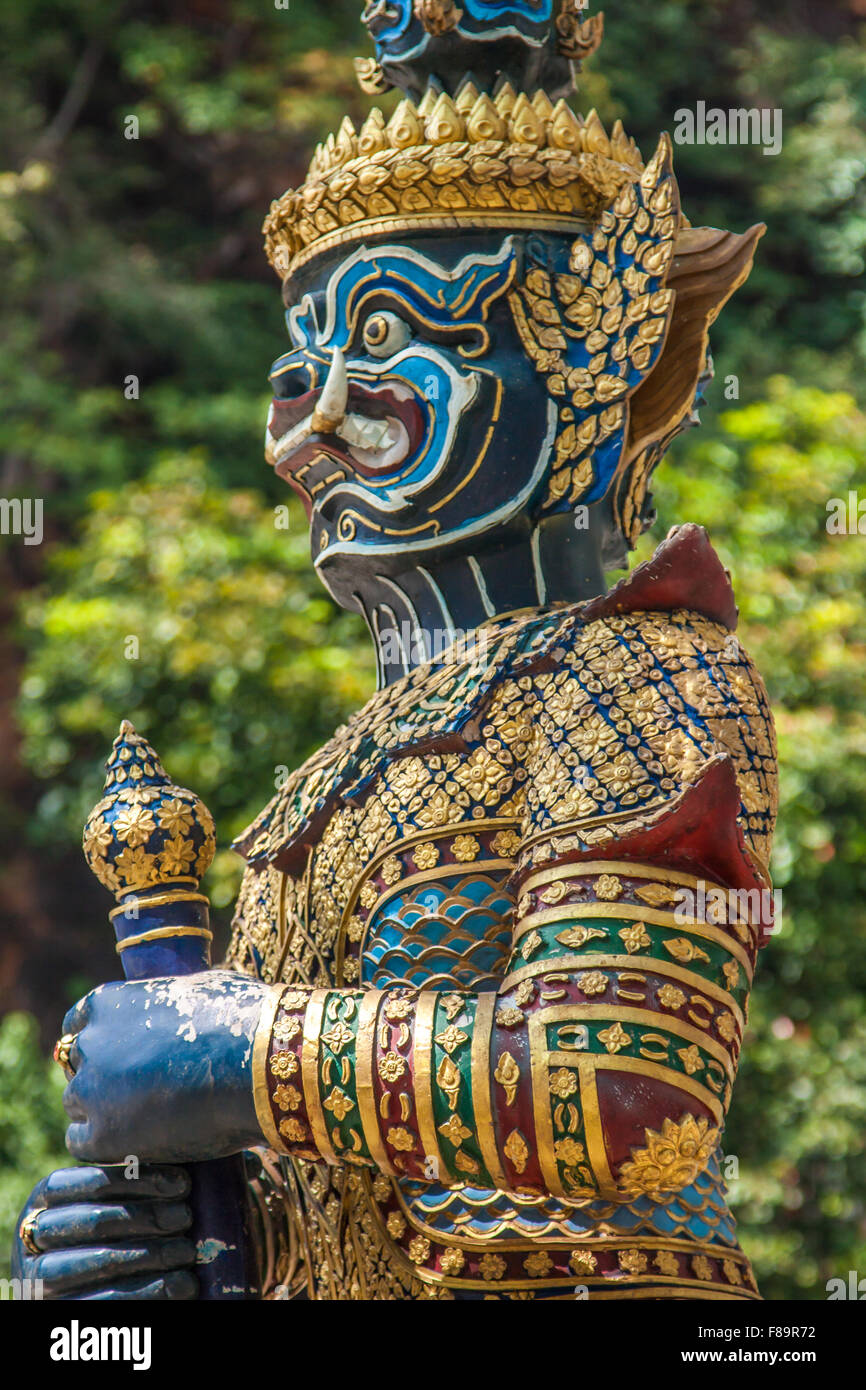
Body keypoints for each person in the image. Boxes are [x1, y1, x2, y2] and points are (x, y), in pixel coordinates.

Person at [13, 1, 778, 1300]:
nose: (301, 430)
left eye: (380, 342)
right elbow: (343, 1183)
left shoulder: (645, 669)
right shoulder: (318, 790)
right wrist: (180, 1249)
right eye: (290, 366)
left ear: (592, 367)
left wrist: (233, 1047)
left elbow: (633, 1097)